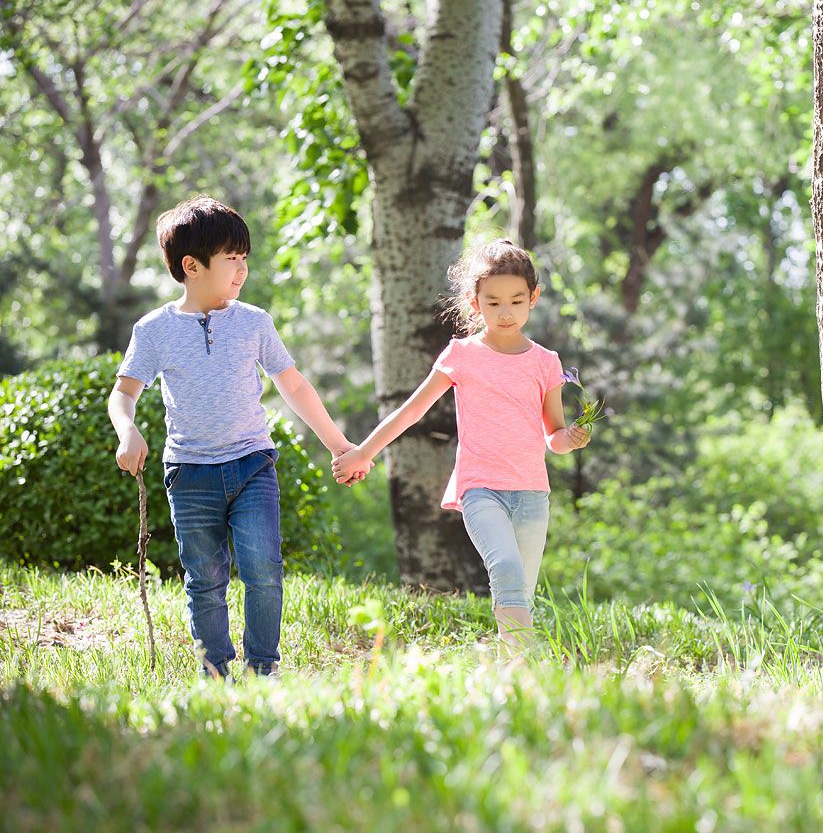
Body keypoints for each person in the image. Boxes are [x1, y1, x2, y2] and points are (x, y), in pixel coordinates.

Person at [108, 195, 366, 678]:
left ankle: (262, 670)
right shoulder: (154, 330)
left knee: (263, 571)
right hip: (189, 473)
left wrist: (339, 445)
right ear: (192, 265)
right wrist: (128, 431)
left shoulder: (254, 322)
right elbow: (122, 395)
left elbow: (294, 385)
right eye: (232, 258)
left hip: (252, 464)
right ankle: (216, 673)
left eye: (245, 257)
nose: (242, 269)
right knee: (204, 580)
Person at [332, 239, 590, 649]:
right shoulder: (462, 354)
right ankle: (526, 661)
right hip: (480, 487)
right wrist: (364, 451)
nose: (505, 313)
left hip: (532, 493)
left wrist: (571, 438)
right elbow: (411, 411)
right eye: (493, 303)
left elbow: (553, 437)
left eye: (516, 301)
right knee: (504, 567)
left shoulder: (545, 362)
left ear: (533, 298)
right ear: (475, 302)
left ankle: (513, 671)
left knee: (521, 590)